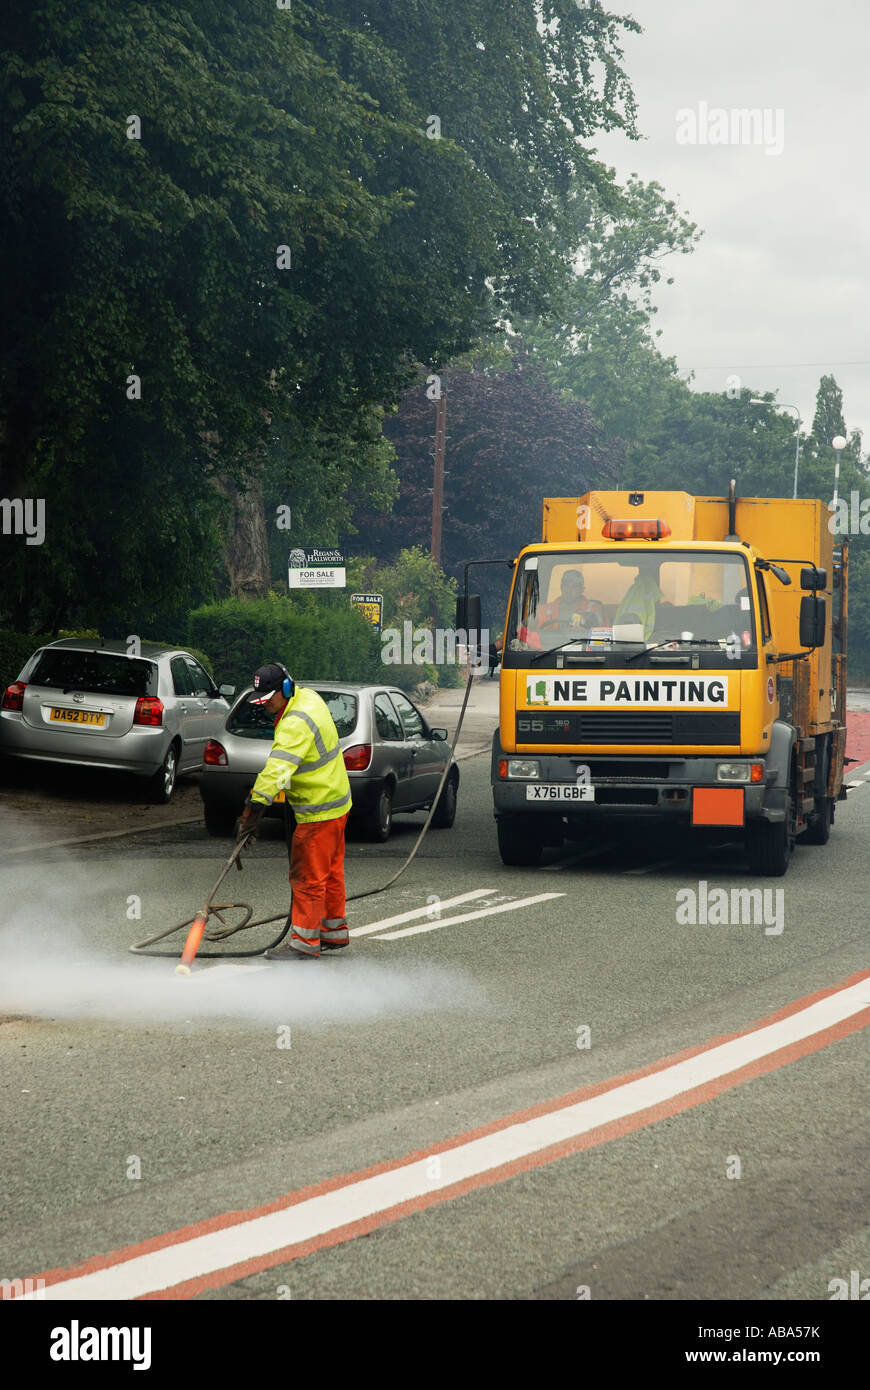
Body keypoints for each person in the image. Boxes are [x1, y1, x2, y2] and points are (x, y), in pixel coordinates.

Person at [235, 663, 352, 960]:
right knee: (331, 871)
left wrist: (252, 811)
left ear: (287, 689)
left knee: (307, 877)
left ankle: (304, 944)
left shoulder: (295, 722)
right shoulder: (309, 697)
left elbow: (276, 770)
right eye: (260, 698)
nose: (266, 704)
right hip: (337, 802)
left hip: (318, 809)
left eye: (269, 697)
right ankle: (333, 932)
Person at [537, 569, 605, 632]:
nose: (569, 591)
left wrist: (587, 622)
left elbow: (603, 633)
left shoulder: (594, 609)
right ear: (561, 587)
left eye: (574, 586)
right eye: (566, 586)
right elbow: (530, 632)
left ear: (582, 590)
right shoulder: (544, 609)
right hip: (550, 645)